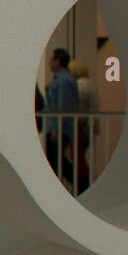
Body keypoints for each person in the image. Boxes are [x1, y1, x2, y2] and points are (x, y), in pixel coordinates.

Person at [43, 48, 80, 191]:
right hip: (57, 128)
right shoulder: (61, 79)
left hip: (58, 129)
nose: (49, 62)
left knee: (56, 161)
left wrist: (56, 130)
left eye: (51, 59)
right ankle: (79, 185)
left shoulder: (63, 81)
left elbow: (62, 107)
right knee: (56, 161)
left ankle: (81, 185)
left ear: (58, 61)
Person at [68, 59, 97, 192]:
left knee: (77, 157)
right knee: (79, 157)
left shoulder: (79, 86)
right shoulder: (89, 85)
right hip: (85, 125)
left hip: (80, 125)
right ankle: (85, 184)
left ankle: (84, 185)